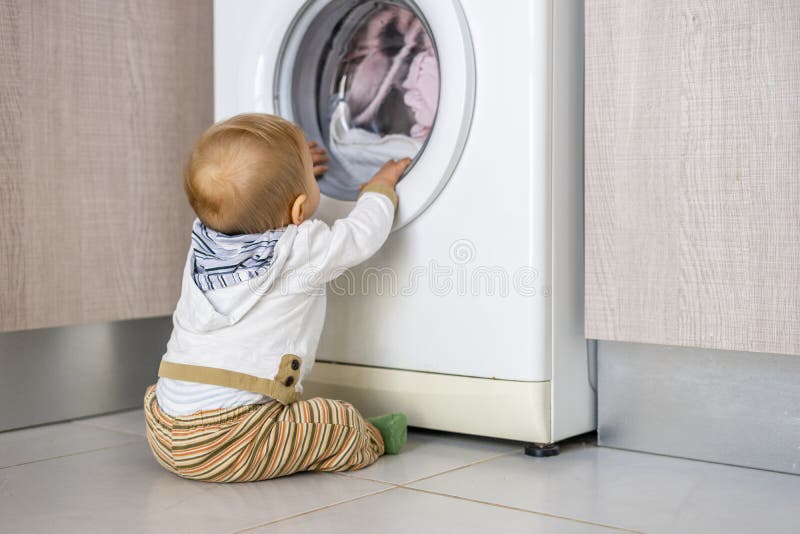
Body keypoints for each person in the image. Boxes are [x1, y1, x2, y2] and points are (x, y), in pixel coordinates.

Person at [144, 113, 409, 482]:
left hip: (163, 425)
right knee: (339, 421)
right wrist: (379, 189)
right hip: (230, 440)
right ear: (298, 210)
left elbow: (249, 195)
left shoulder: (203, 243)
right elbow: (361, 235)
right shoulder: (298, 248)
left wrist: (285, 174)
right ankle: (371, 437)